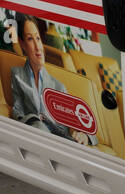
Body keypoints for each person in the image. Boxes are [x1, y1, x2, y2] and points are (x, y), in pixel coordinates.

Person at [8, 16, 95, 147]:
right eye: (30, 39)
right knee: (38, 127)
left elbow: (82, 122)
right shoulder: (17, 74)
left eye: (38, 38)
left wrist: (85, 135)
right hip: (36, 134)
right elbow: (17, 111)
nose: (38, 47)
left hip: (60, 142)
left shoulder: (58, 86)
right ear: (22, 43)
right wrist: (34, 121)